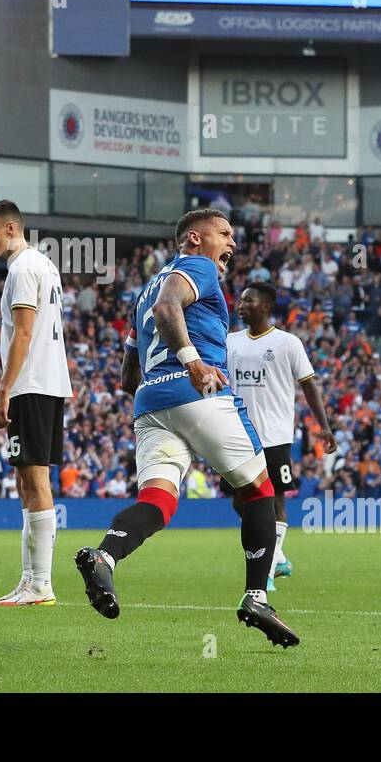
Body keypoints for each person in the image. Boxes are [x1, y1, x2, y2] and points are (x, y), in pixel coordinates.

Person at [74, 209, 299, 648]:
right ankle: (257, 597)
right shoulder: (194, 267)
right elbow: (168, 306)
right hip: (197, 389)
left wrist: (162, 393)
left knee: (157, 502)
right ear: (194, 238)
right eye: (224, 233)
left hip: (151, 402)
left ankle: (105, 555)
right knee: (258, 491)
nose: (231, 243)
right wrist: (192, 362)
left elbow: (126, 376)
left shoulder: (143, 291)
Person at [0, 200, 72, 607]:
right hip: (47, 384)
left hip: (31, 386)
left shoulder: (21, 269)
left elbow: (24, 333)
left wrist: (4, 389)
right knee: (25, 479)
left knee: (34, 480)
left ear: (10, 227)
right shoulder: (45, 266)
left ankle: (41, 584)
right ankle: (31, 579)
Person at [226, 281, 336, 587]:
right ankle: (281, 557)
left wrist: (323, 426)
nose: (241, 305)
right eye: (241, 300)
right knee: (240, 502)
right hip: (238, 436)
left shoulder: (288, 343)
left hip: (274, 437)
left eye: (248, 301)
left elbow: (309, 385)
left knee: (275, 502)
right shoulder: (230, 342)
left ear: (265, 307)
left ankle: (270, 571)